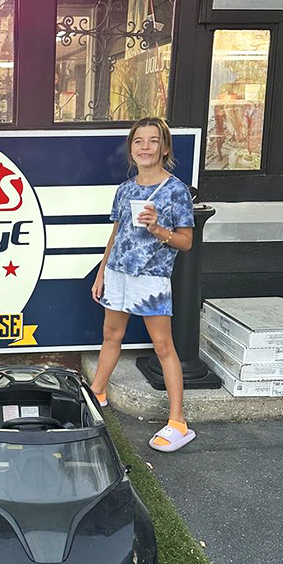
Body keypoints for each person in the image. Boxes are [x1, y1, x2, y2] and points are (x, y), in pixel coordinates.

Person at [90, 117, 195, 452]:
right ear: (131, 148)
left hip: (151, 279)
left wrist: (157, 229)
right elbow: (116, 234)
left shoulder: (175, 190)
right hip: (118, 274)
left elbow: (186, 242)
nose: (145, 147)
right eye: (139, 141)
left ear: (164, 148)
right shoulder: (125, 188)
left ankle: (178, 421)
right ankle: (97, 394)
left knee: (163, 347)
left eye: (153, 141)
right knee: (110, 335)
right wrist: (102, 271)